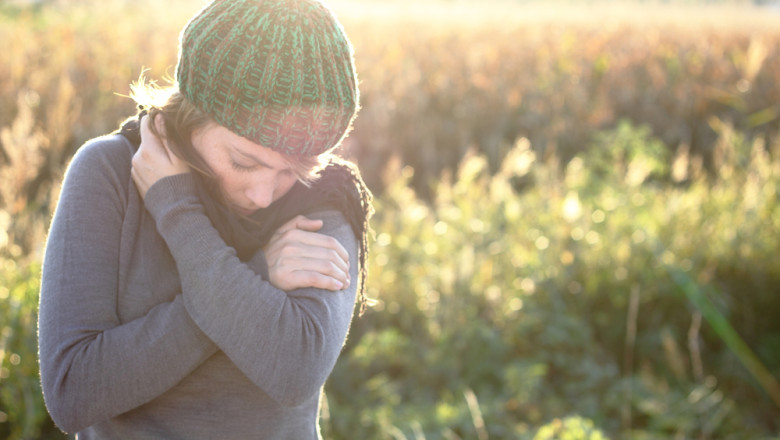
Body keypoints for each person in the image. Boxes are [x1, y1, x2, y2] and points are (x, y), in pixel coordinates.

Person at [37, 0, 372, 438]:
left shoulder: (323, 197)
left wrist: (181, 221)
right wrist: (258, 274)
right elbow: (73, 391)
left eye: (292, 169)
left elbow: (293, 369)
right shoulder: (109, 173)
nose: (263, 193)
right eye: (243, 161)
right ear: (191, 115)